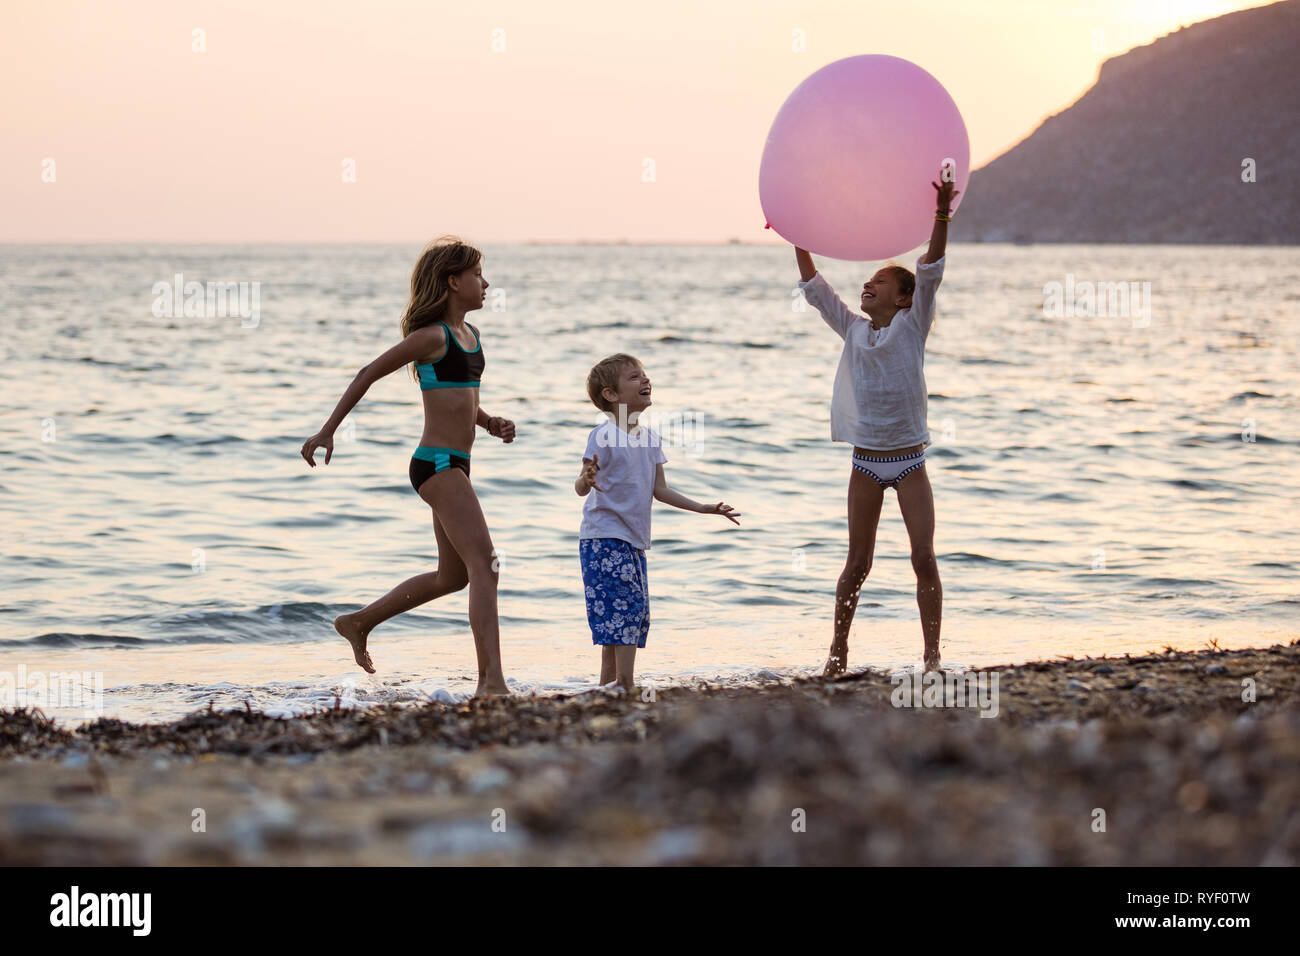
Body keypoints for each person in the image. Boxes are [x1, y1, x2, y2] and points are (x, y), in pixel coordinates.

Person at [301, 236, 514, 696]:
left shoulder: (471, 337)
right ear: (453, 281)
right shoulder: (432, 336)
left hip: (457, 463)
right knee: (487, 565)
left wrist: (489, 421)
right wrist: (327, 430)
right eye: (478, 274)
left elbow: (460, 398)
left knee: (453, 577)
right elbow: (367, 374)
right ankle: (491, 683)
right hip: (436, 464)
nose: (486, 283)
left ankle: (359, 621)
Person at [794, 172, 957, 675]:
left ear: (904, 299)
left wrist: (941, 214)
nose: (868, 284)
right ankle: (837, 654)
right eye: (867, 281)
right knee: (857, 564)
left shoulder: (913, 325)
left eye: (880, 282)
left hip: (910, 462)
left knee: (923, 558)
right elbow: (816, 289)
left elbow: (930, 268)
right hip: (865, 463)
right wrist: (796, 232)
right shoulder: (854, 332)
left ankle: (931, 657)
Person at [575, 353, 740, 691]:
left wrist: (704, 508)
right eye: (634, 377)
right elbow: (580, 486)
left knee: (625, 616)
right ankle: (625, 683)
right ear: (611, 395)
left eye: (644, 375)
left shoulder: (649, 439)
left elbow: (660, 490)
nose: (645, 380)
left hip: (634, 541)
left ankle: (608, 687)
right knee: (624, 612)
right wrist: (586, 480)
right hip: (603, 537)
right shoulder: (602, 436)